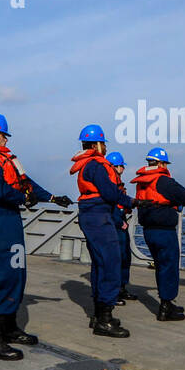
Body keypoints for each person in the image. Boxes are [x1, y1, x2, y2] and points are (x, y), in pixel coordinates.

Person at [0, 113, 71, 360]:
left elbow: (25, 183)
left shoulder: (5, 159)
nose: (6, 142)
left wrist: (51, 198)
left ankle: (8, 328)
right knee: (7, 277)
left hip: (9, 220)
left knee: (18, 274)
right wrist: (24, 199)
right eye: (4, 137)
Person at [69, 125, 138, 337]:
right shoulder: (97, 165)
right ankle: (104, 320)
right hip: (99, 216)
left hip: (92, 215)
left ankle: (100, 315)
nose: (106, 147)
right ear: (97, 144)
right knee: (110, 263)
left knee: (100, 263)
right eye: (104, 143)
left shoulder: (87, 165)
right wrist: (132, 201)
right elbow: (109, 192)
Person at [132, 147, 185, 320]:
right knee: (169, 267)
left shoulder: (142, 181)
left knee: (160, 266)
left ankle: (166, 302)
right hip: (164, 232)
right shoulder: (163, 180)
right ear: (160, 163)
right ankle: (165, 307)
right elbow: (184, 195)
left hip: (148, 231)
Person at [106, 151, 133, 304]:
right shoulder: (110, 183)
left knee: (124, 257)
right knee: (116, 258)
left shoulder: (117, 182)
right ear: (117, 166)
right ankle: (113, 292)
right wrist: (119, 220)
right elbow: (110, 205)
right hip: (115, 223)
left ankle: (122, 288)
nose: (123, 168)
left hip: (120, 220)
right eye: (122, 166)